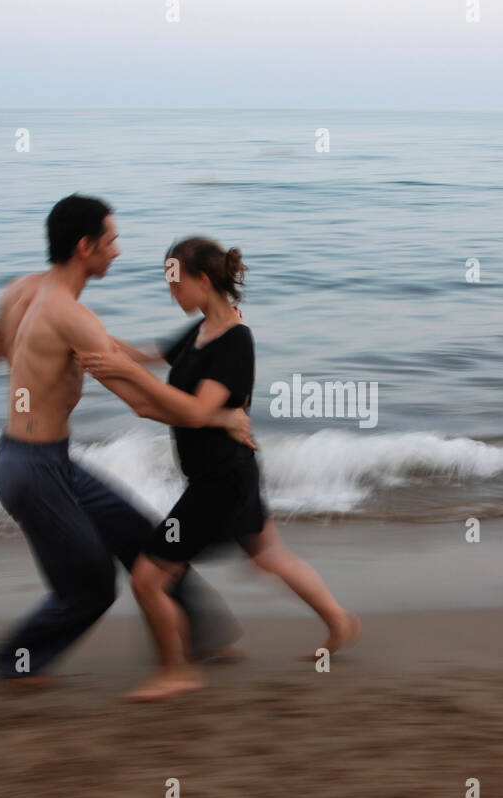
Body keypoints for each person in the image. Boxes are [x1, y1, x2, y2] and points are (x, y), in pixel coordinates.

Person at [0, 194, 250, 682]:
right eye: (112, 240)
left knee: (142, 536)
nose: (118, 251)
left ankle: (199, 636)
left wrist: (42, 365)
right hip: (35, 470)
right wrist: (220, 419)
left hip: (39, 458)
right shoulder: (72, 316)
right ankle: (11, 665)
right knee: (92, 588)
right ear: (85, 247)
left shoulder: (22, 289)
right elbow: (144, 405)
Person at [79, 237, 360, 701]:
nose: (171, 294)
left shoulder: (233, 340)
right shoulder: (201, 329)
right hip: (234, 472)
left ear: (202, 281)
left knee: (148, 578)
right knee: (270, 557)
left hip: (219, 482)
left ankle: (176, 670)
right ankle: (340, 622)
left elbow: (194, 411)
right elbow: (147, 355)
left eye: (175, 283)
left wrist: (130, 380)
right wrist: (91, 336)